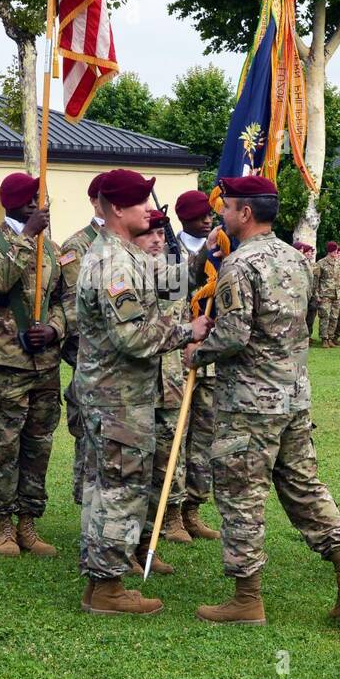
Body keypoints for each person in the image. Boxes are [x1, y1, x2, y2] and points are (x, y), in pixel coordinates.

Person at [185, 176, 340, 625]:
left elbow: (233, 334)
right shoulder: (297, 260)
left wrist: (198, 352)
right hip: (293, 397)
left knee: (241, 495)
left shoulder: (239, 265)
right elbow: (302, 323)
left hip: (250, 403)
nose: (221, 215)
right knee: (304, 486)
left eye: (227, 207)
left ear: (245, 214)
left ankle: (246, 598)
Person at [74, 168, 211, 615]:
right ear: (118, 209)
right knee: (120, 488)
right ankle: (110, 588)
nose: (152, 213)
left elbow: (165, 282)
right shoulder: (113, 263)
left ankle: (100, 581)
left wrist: (209, 255)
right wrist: (185, 330)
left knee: (103, 486)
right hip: (118, 398)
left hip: (111, 394)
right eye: (143, 205)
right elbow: (132, 338)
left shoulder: (121, 254)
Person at [0, 172, 67, 558]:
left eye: (39, 199)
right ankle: (4, 526)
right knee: (3, 446)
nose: (37, 205)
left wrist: (56, 329)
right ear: (12, 201)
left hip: (44, 364)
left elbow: (63, 300)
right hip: (4, 365)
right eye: (30, 199)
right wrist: (27, 235)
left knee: (38, 445)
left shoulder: (53, 248)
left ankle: (29, 522)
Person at [132, 213, 193, 545]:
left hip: (168, 379)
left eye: (160, 233)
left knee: (171, 456)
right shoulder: (124, 273)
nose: (157, 240)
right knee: (132, 467)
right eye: (149, 233)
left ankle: (169, 519)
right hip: (134, 386)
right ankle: (133, 537)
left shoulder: (172, 274)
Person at [169, 189, 220, 540]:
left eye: (210, 214)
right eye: (200, 214)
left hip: (211, 357)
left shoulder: (223, 252)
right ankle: (171, 512)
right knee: (176, 434)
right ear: (184, 216)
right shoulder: (167, 249)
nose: (207, 219)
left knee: (204, 435)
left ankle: (193, 509)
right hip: (176, 357)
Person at [59, 173, 109, 508]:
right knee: (90, 433)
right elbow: (73, 306)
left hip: (129, 360)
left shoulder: (138, 241)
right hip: (91, 355)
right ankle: (87, 504)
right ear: (94, 201)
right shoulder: (78, 246)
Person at [313, 241, 340, 347]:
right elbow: (316, 281)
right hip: (325, 294)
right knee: (325, 316)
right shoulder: (321, 263)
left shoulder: (339, 264)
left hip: (337, 295)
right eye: (334, 250)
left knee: (334, 317)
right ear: (330, 251)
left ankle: (331, 338)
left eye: (336, 250)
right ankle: (324, 339)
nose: (336, 252)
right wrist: (316, 294)